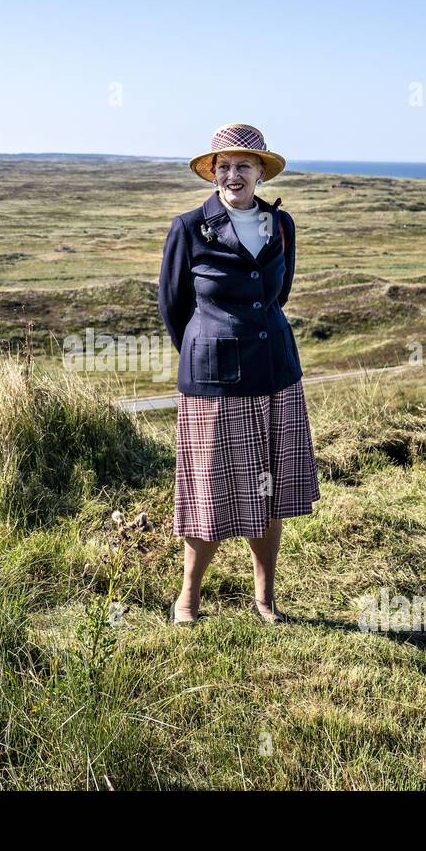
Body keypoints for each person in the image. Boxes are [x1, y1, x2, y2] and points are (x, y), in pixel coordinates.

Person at [157, 123, 319, 626]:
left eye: (243, 166)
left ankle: (265, 598)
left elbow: (278, 295)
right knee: (207, 493)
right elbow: (174, 307)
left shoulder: (281, 224)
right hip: (214, 383)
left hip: (275, 374)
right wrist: (208, 350)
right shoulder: (189, 228)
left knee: (269, 491)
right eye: (224, 166)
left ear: (260, 173)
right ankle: (188, 598)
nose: (233, 175)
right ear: (212, 173)